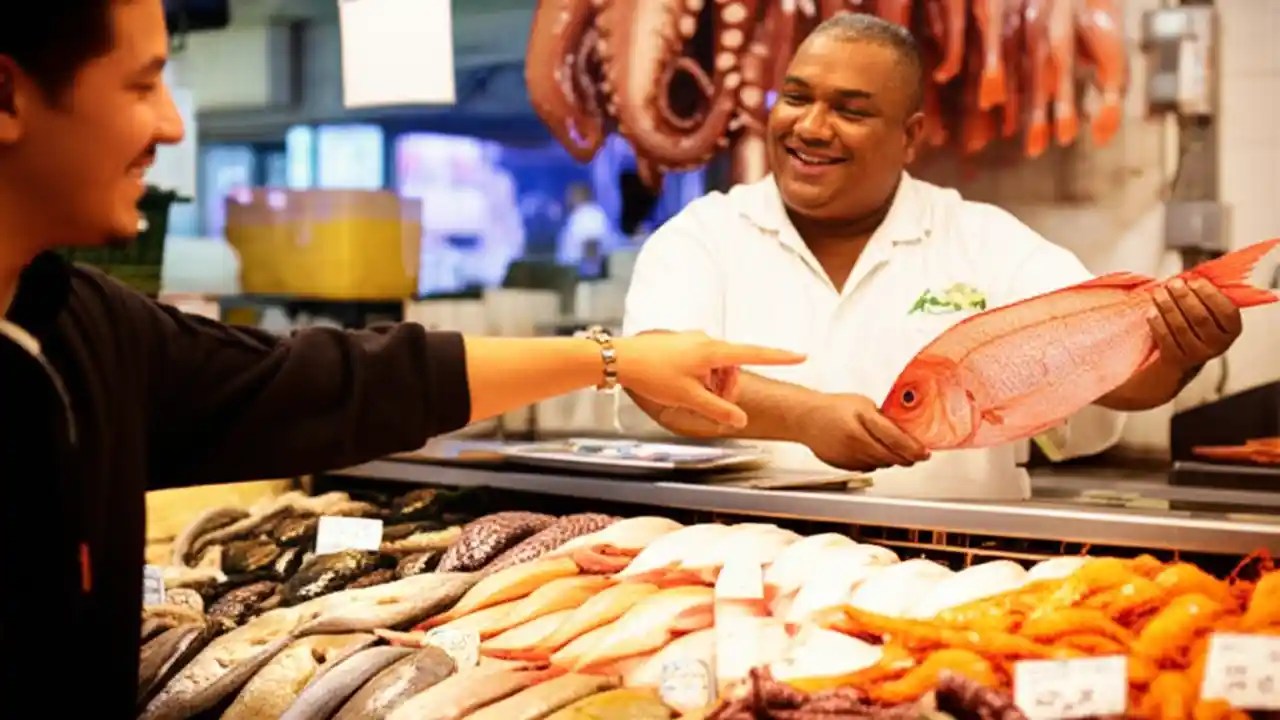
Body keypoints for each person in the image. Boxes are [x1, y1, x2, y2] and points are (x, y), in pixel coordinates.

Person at [0, 2, 804, 713]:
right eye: (142, 85)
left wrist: (613, 359)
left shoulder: (83, 328)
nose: (173, 125)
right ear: (8, 96)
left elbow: (331, 382)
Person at [623, 13, 1245, 496]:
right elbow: (654, 378)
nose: (810, 126)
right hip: (743, 569)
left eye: (850, 109)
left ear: (910, 136)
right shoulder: (703, 235)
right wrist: (806, 418)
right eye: (795, 97)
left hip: (962, 571)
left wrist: (1178, 354)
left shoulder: (986, 242)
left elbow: (1113, 384)